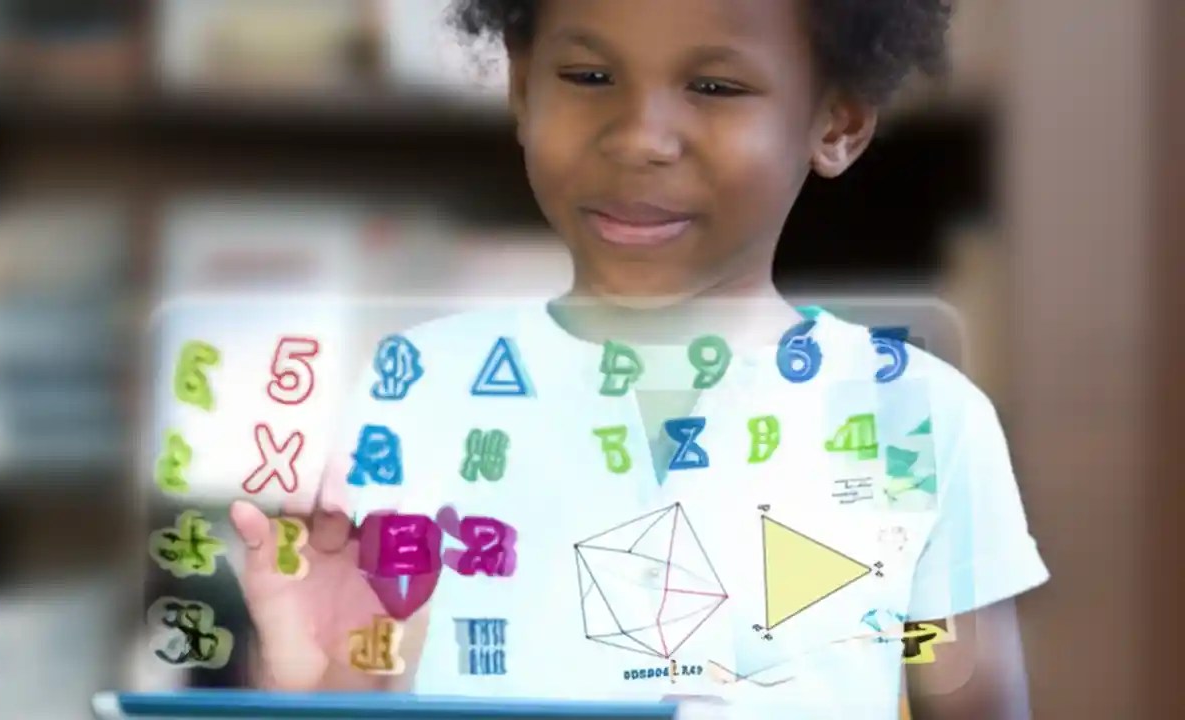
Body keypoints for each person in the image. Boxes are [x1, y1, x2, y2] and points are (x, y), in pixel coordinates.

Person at [227, 0, 1049, 716]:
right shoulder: (419, 392)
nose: (641, 138)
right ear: (521, 86)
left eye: (715, 87)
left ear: (836, 121)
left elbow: (976, 707)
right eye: (588, 76)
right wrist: (317, 686)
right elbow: (355, 680)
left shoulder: (916, 417)